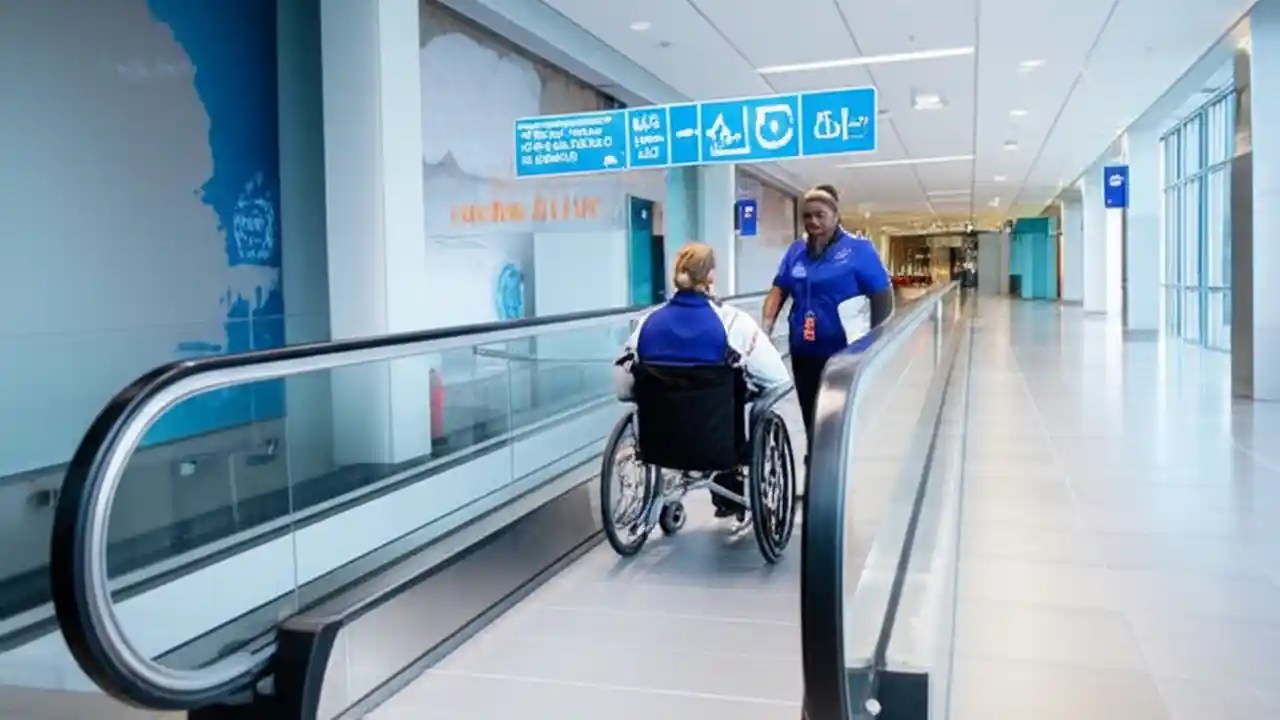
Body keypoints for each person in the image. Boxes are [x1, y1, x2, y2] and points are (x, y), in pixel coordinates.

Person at [615, 242, 790, 518]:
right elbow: (777, 378)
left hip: (657, 447)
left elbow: (623, 390)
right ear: (710, 276)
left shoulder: (647, 323)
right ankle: (730, 492)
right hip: (718, 446)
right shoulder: (732, 323)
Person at [761, 185, 894, 453]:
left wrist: (874, 343)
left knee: (833, 420)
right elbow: (778, 290)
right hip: (803, 351)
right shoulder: (796, 251)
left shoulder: (858, 250)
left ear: (835, 216)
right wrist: (764, 330)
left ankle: (830, 477)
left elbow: (883, 297)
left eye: (820, 215)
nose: (813, 222)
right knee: (811, 418)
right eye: (807, 216)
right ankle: (814, 476)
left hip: (842, 354)